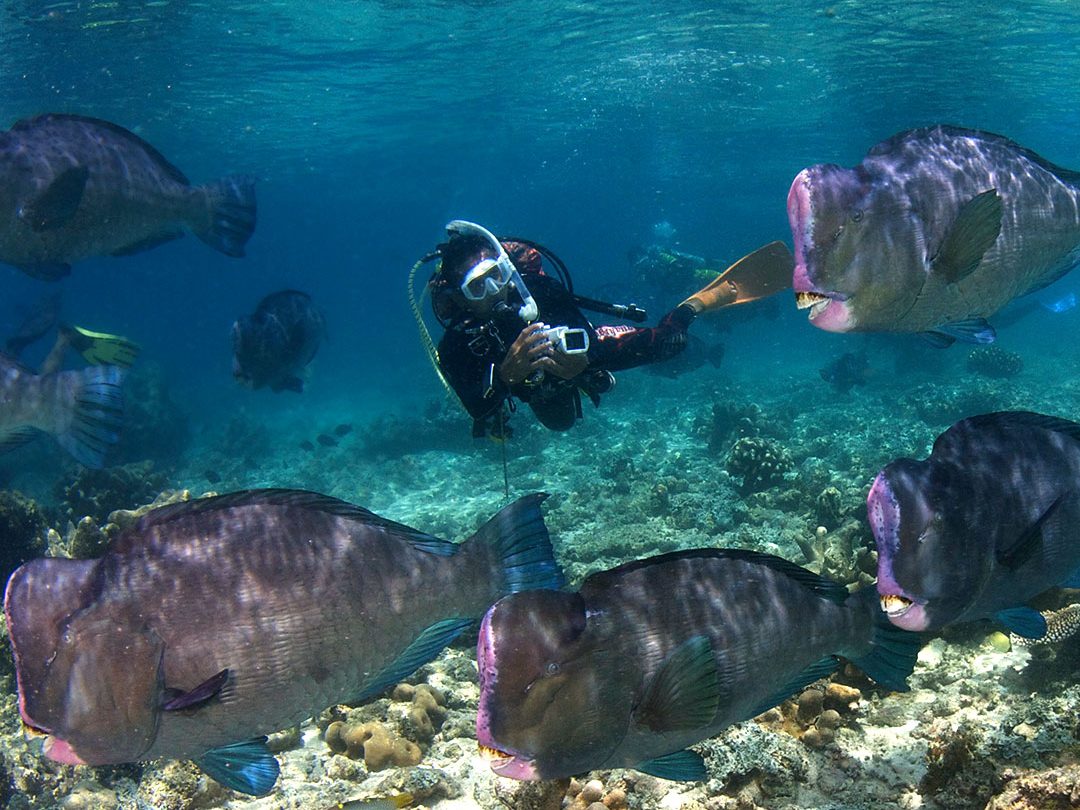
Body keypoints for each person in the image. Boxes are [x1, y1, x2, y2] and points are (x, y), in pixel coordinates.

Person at [423, 220, 791, 435]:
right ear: (459, 297)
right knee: (557, 421)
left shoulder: (539, 292)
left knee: (668, 344)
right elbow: (476, 408)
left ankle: (696, 304)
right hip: (526, 392)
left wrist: (582, 363)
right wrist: (505, 377)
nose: (494, 291)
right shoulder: (457, 344)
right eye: (477, 287)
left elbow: (580, 333)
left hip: (580, 364)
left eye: (498, 276)